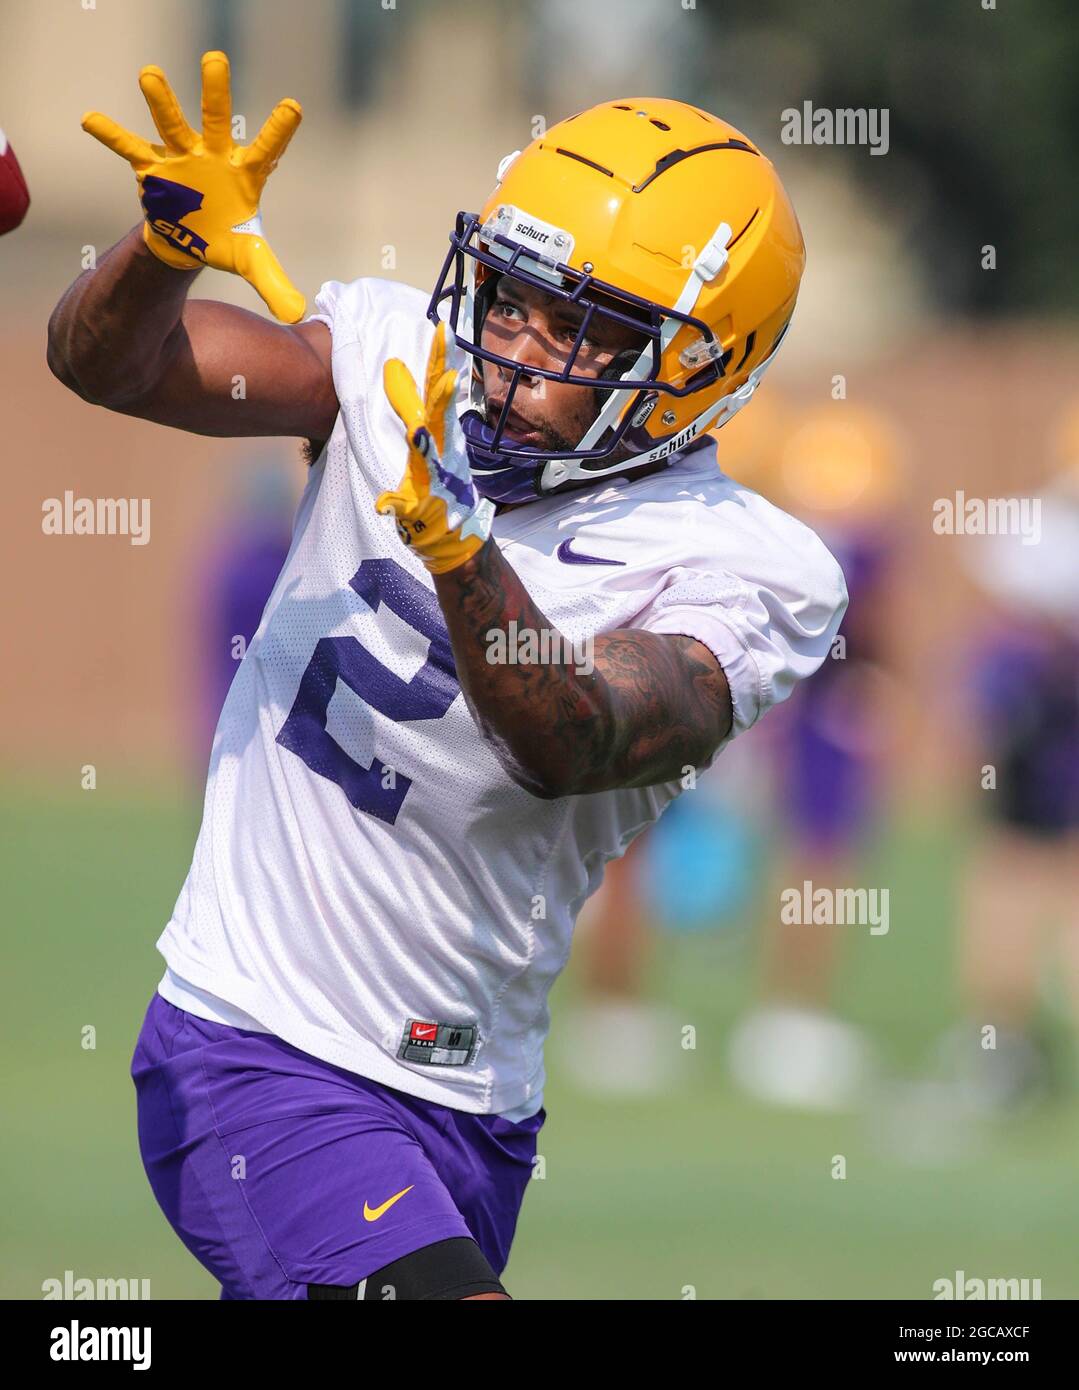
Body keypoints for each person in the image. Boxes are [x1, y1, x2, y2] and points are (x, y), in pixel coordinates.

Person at [47, 53, 847, 1300]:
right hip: (261, 1045)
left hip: (470, 1100)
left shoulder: (748, 563)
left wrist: (459, 550)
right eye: (511, 299)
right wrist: (162, 249)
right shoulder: (393, 365)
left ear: (699, 364)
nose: (516, 352)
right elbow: (116, 368)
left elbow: (576, 739)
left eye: (579, 327)